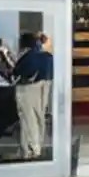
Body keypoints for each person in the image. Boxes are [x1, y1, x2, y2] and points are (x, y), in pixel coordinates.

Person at [12, 32, 54, 160]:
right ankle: (37, 146)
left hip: (28, 88)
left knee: (28, 119)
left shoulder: (28, 56)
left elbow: (17, 71)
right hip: (45, 85)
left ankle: (31, 149)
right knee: (39, 117)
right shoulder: (47, 56)